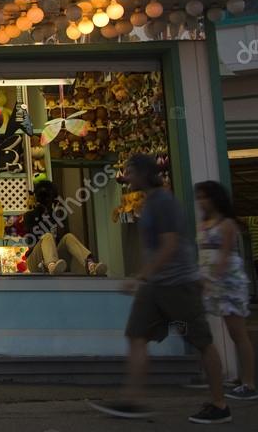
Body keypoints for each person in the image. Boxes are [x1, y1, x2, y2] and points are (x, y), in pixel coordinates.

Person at [88, 154, 231, 424]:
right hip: (155, 286)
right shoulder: (151, 202)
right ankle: (133, 400)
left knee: (202, 342)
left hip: (178, 285)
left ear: (144, 173)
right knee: (136, 335)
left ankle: (219, 403)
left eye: (130, 171)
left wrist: (141, 276)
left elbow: (170, 245)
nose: (126, 177)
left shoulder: (163, 202)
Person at [195, 180, 257, 400]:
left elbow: (224, 255)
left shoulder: (227, 224)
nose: (201, 201)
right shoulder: (204, 224)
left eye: (205, 196)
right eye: (199, 197)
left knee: (237, 333)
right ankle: (229, 376)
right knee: (210, 331)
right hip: (209, 281)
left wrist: (212, 278)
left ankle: (248, 382)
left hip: (228, 282)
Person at [23, 178, 107, 276]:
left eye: (49, 200)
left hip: (56, 258)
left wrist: (57, 215)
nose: (47, 203)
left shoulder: (57, 216)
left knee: (68, 237)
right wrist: (41, 213)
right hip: (35, 260)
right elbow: (31, 241)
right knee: (47, 236)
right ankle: (51, 266)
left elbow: (63, 240)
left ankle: (91, 265)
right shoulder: (30, 216)